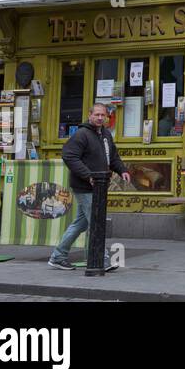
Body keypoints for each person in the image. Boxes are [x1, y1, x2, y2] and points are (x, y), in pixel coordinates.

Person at [51, 104, 130, 271]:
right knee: (96, 221)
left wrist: (122, 170)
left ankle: (58, 256)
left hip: (98, 186)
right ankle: (101, 259)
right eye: (97, 115)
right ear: (90, 115)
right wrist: (88, 175)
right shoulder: (82, 134)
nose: (100, 118)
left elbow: (113, 157)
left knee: (81, 224)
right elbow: (69, 156)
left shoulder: (106, 134)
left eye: (103, 115)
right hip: (84, 186)